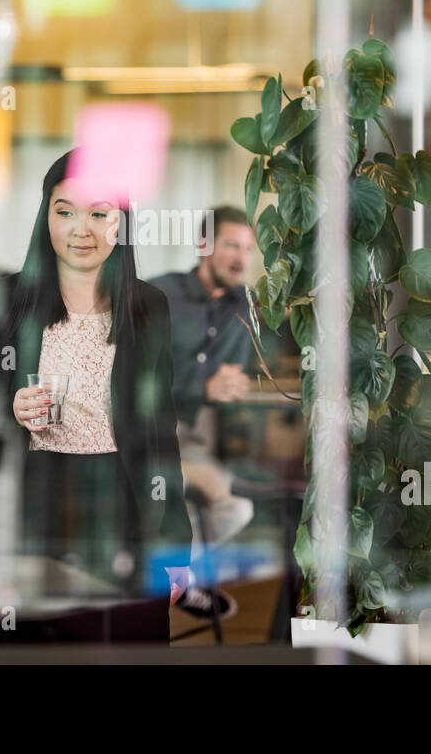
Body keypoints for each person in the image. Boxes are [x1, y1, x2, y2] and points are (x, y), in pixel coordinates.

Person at [0, 150, 192, 643]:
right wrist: (8, 409)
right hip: (31, 506)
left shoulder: (148, 307)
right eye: (65, 211)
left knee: (126, 647)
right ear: (45, 216)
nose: (82, 229)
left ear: (120, 224)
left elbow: (162, 435)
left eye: (100, 213)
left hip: (124, 508)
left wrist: (175, 549)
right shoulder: (3, 301)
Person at [151, 206, 260, 622]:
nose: (241, 257)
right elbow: (130, 378)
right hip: (147, 433)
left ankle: (180, 582)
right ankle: (179, 584)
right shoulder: (159, 296)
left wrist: (235, 382)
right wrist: (203, 386)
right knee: (203, 496)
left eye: (248, 248)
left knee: (234, 506)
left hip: (202, 438)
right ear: (203, 246)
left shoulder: (245, 308)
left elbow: (251, 368)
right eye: (231, 244)